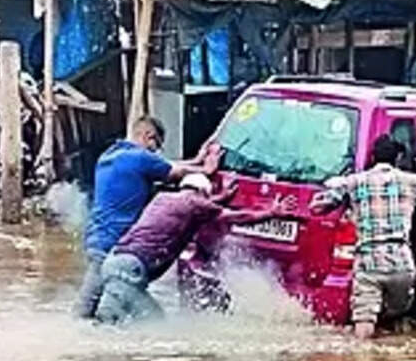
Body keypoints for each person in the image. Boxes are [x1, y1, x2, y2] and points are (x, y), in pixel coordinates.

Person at [95, 174, 294, 323]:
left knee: (106, 324)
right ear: (202, 193)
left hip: (112, 263)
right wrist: (272, 212)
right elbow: (235, 217)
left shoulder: (163, 198)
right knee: (156, 330)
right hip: (130, 272)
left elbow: (201, 206)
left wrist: (222, 196)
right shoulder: (195, 202)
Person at [75, 117, 219, 320]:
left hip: (94, 238)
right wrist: (205, 169)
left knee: (103, 305)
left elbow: (164, 165)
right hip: (112, 242)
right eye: (156, 147)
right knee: (86, 309)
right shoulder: (141, 158)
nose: (155, 152)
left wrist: (196, 160)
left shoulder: (110, 156)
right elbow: (175, 171)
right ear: (148, 136)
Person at [310, 135, 416, 340]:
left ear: (373, 156)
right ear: (398, 158)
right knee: (396, 319)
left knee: (364, 320)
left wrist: (332, 189)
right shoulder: (411, 182)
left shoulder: (354, 182)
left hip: (368, 261)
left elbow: (317, 207)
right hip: (401, 264)